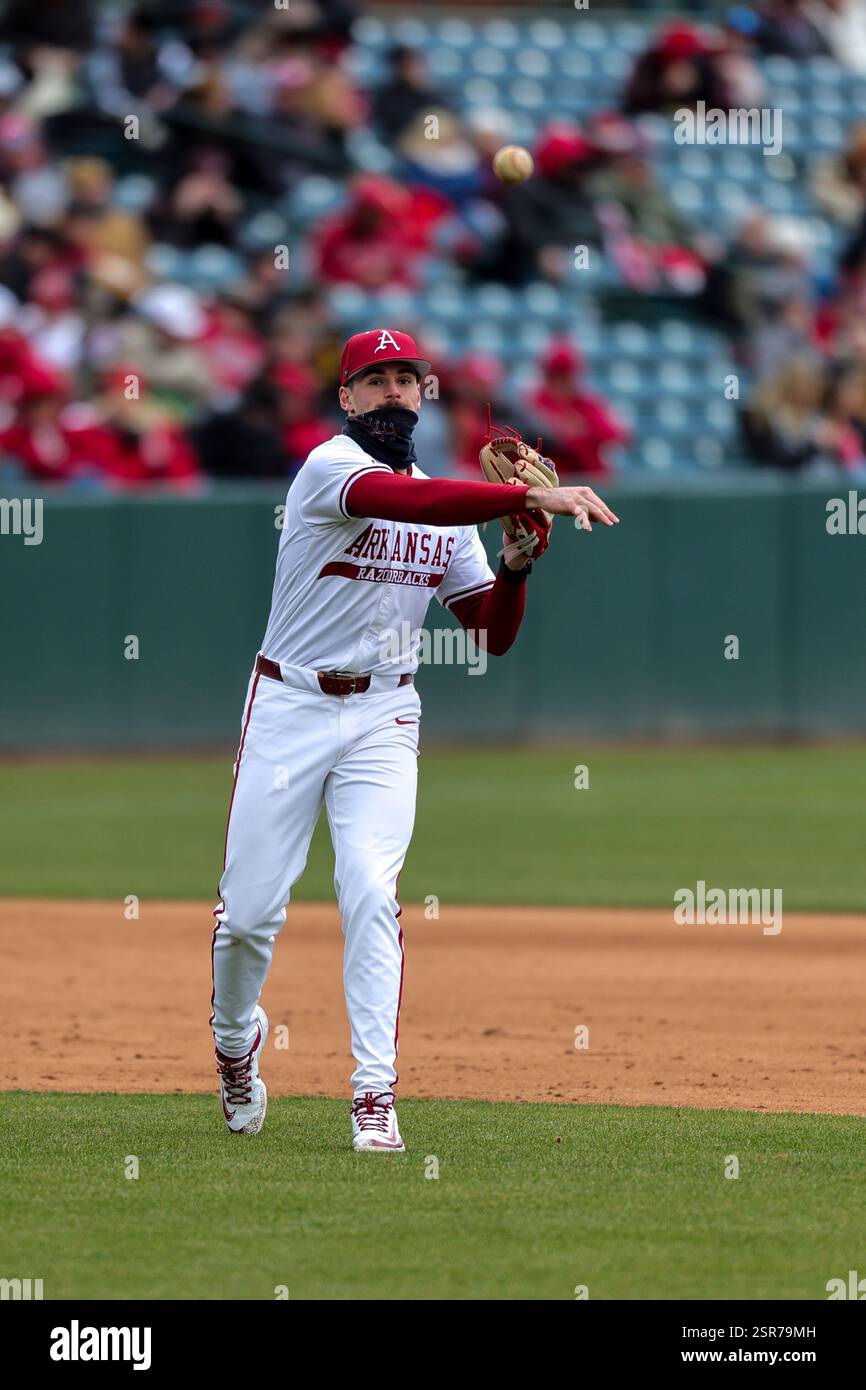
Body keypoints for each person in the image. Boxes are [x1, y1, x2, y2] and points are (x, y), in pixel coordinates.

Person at [209, 328, 618, 1151]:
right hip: (289, 703)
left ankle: (373, 1092)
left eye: (408, 379)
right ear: (347, 397)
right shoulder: (329, 469)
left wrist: (516, 566)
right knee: (251, 916)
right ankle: (233, 1042)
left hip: (385, 716)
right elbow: (403, 504)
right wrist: (527, 498)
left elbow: (488, 634)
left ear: (423, 395)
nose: (395, 392)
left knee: (369, 889)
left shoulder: (445, 503)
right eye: (377, 380)